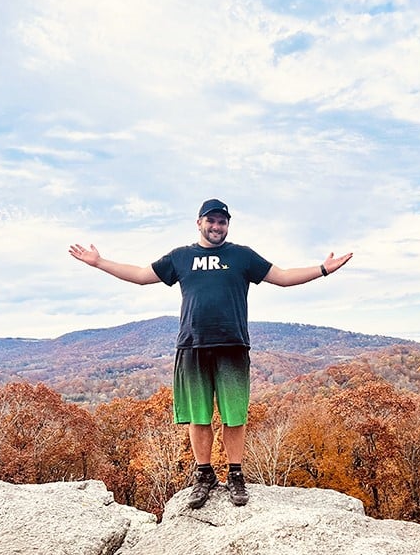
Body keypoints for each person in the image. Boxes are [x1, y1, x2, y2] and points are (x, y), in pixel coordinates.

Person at [69, 198, 353, 508]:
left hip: (232, 345)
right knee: (199, 416)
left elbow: (283, 277)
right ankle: (203, 475)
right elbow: (139, 274)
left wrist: (324, 269)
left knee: (234, 416)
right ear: (199, 222)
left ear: (227, 225)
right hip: (192, 345)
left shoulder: (242, 256)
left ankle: (235, 474)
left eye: (222, 221)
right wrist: (99, 262)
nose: (217, 226)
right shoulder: (181, 257)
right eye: (211, 220)